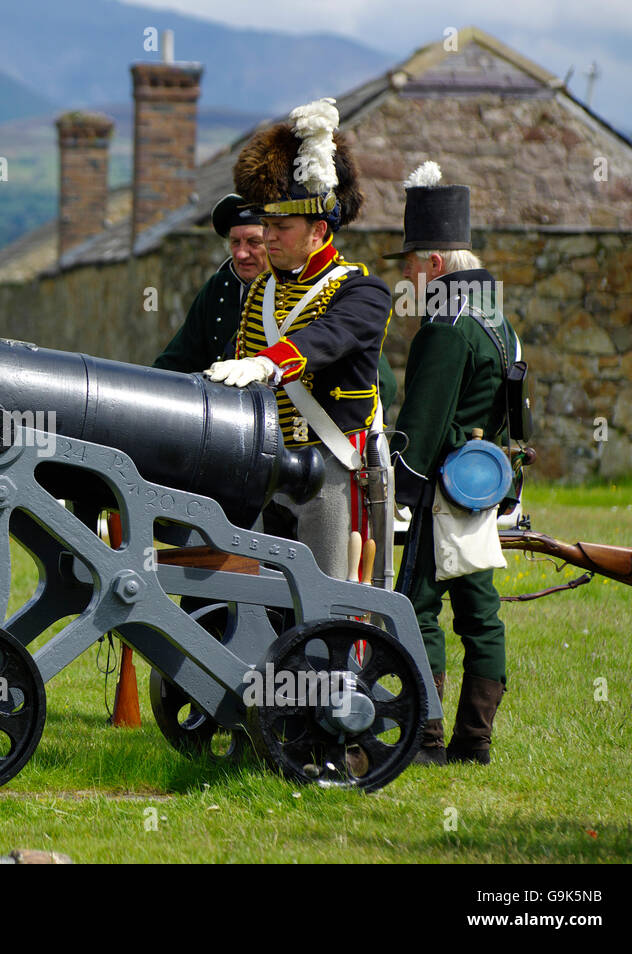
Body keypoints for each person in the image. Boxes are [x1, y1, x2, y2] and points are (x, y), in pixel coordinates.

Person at [203, 98, 392, 581]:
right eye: (266, 225)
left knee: (329, 592)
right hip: (265, 463)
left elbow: (327, 338)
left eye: (281, 227)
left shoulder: (360, 288)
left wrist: (269, 364)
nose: (267, 238)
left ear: (319, 230)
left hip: (328, 463)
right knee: (262, 598)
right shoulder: (261, 291)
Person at [387, 162, 516, 766]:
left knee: (415, 607)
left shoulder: (445, 327)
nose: (408, 275)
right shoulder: (500, 324)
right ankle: (475, 742)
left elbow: (420, 426)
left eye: (412, 263)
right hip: (480, 487)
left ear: (435, 266)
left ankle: (426, 740)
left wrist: (396, 488)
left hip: (438, 491)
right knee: (481, 615)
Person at [153, 194, 267, 372]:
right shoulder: (219, 287)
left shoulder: (291, 288)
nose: (241, 254)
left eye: (254, 242)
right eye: (235, 242)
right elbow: (178, 359)